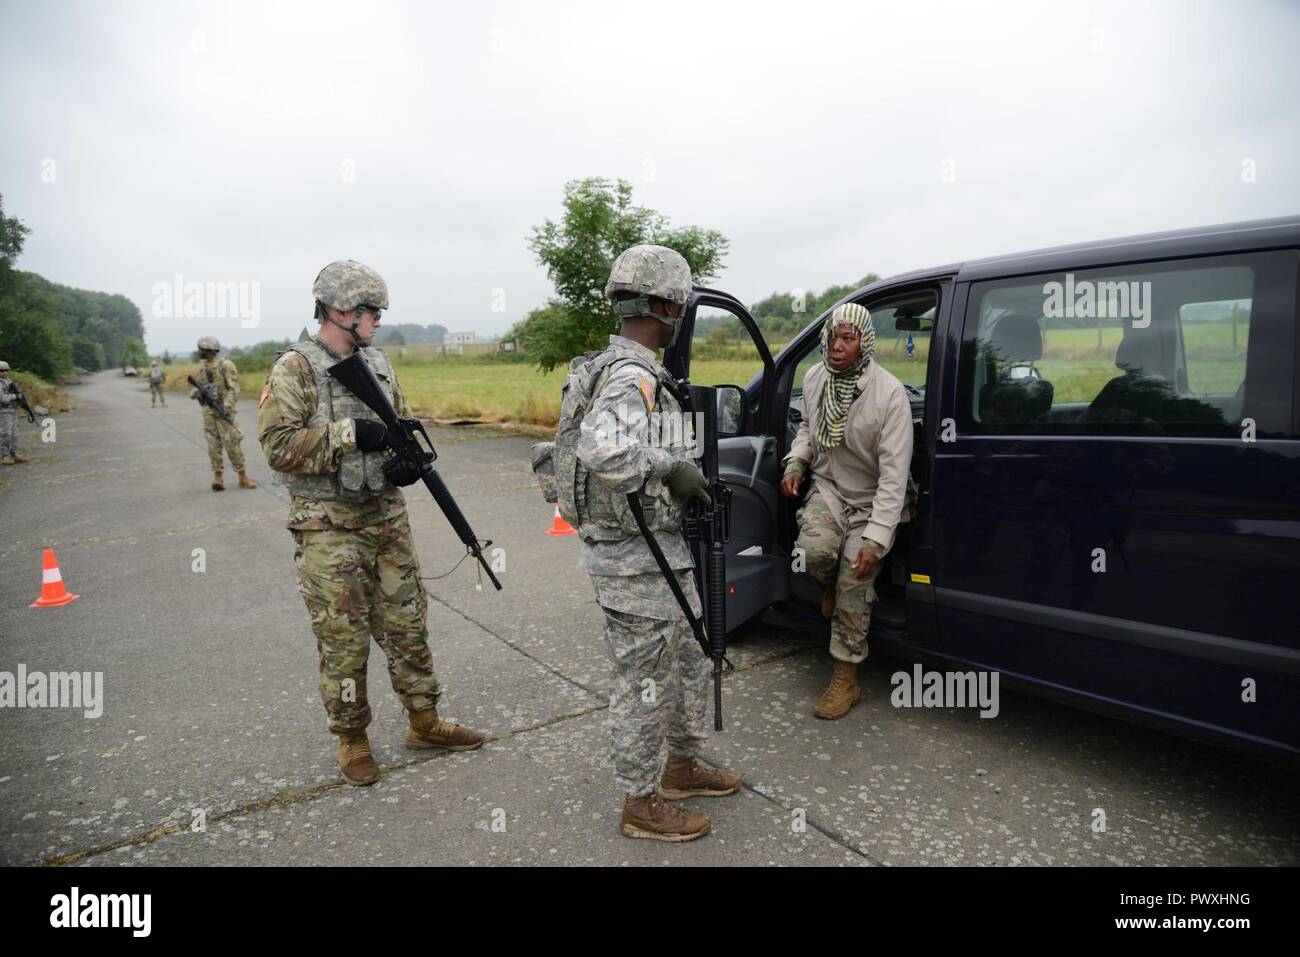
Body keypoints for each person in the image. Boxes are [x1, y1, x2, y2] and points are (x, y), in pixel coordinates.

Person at [257, 259, 483, 787]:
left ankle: (424, 721)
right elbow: (277, 447)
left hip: (385, 517)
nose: (378, 320)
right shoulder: (295, 367)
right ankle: (352, 737)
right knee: (344, 638)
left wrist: (401, 462)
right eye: (370, 311)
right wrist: (348, 435)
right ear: (340, 310)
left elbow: (396, 424)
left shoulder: (377, 362)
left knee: (408, 625)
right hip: (328, 527)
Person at [576, 244, 742, 842]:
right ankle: (639, 803)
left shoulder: (629, 367)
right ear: (665, 304)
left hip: (659, 551)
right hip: (632, 561)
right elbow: (599, 451)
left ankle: (680, 765)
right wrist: (666, 469)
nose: (683, 312)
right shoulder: (629, 375)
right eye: (681, 302)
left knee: (690, 660)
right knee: (644, 685)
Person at [780, 303, 913, 719]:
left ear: (864, 344)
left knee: (856, 581)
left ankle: (845, 677)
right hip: (831, 489)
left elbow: (895, 476)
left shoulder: (889, 394)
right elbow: (806, 429)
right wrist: (797, 461)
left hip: (873, 501)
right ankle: (829, 589)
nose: (837, 347)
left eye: (848, 338)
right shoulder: (816, 377)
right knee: (813, 554)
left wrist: (876, 537)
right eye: (833, 337)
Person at [190, 337, 256, 491]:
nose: (199, 351)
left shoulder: (225, 365)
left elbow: (234, 388)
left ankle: (242, 476)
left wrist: (226, 406)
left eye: (201, 349)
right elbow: (196, 388)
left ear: (208, 350)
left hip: (224, 411)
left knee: (233, 444)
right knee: (213, 446)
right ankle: (218, 477)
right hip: (209, 413)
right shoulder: (203, 368)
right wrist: (197, 393)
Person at [0, 360, 29, 466]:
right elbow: (2, 398)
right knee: (6, 434)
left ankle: (13, 453)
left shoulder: (8, 381)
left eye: (6, 370)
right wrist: (15, 396)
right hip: (3, 412)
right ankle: (5, 456)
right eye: (2, 371)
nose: (4, 372)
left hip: (12, 411)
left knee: (14, 434)